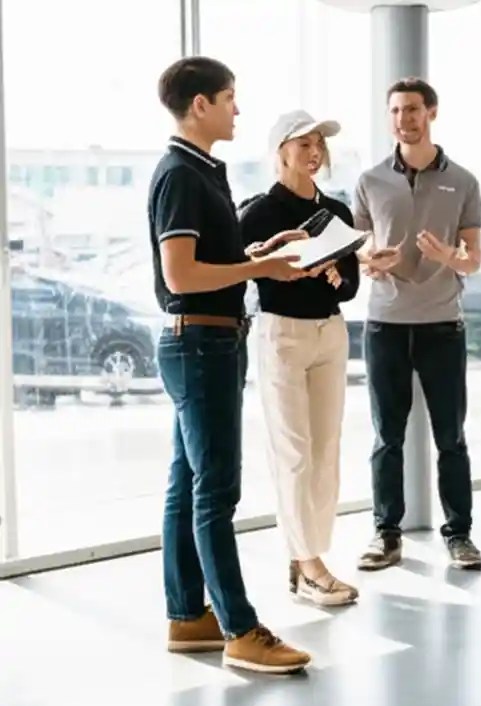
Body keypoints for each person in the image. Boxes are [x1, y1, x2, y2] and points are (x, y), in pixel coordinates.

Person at [148, 56, 313, 674]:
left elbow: (209, 259)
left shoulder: (200, 172)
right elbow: (181, 274)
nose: (237, 110)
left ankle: (189, 616)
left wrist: (259, 251)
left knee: (187, 485)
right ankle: (241, 629)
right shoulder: (181, 176)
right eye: (229, 99)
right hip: (202, 346)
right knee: (216, 490)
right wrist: (259, 270)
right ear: (201, 106)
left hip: (206, 341)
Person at [350, 77, 481, 572]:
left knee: (451, 436)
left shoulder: (464, 182)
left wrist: (450, 255)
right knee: (387, 436)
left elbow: (473, 261)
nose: (402, 119)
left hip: (442, 326)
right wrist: (371, 259)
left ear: (431, 112)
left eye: (411, 110)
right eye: (394, 111)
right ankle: (386, 533)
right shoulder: (369, 181)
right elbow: (358, 247)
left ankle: (461, 535)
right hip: (385, 324)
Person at [238, 109, 362, 607]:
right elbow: (244, 274)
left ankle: (308, 556)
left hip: (330, 333)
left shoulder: (337, 212)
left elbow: (351, 286)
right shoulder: (257, 213)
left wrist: (335, 275)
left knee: (325, 450)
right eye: (304, 143)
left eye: (319, 144)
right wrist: (271, 256)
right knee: (292, 451)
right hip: (282, 335)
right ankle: (309, 566)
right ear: (281, 151)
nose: (314, 152)